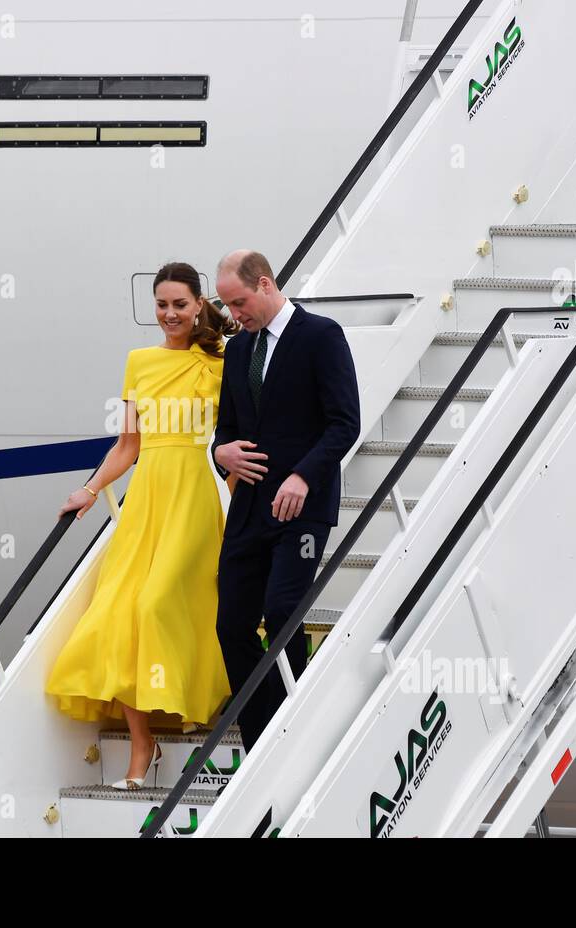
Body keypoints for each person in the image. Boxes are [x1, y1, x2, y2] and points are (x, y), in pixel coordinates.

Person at [45, 262, 240, 789]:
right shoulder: (139, 362)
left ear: (200, 304)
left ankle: (212, 698)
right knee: (120, 611)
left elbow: (242, 433)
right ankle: (142, 745)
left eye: (180, 304)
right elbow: (128, 446)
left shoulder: (222, 359)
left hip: (196, 493)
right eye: (161, 305)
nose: (170, 314)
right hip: (148, 496)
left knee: (158, 603)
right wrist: (88, 490)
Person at [210, 250, 360, 754]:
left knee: (281, 612)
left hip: (301, 508)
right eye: (229, 307)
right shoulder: (237, 351)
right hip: (250, 508)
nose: (235, 315)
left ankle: (295, 723)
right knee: (230, 624)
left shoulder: (321, 336)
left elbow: (344, 423)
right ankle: (264, 736)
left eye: (240, 303)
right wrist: (220, 452)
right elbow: (226, 430)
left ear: (266, 284)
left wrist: (303, 476)